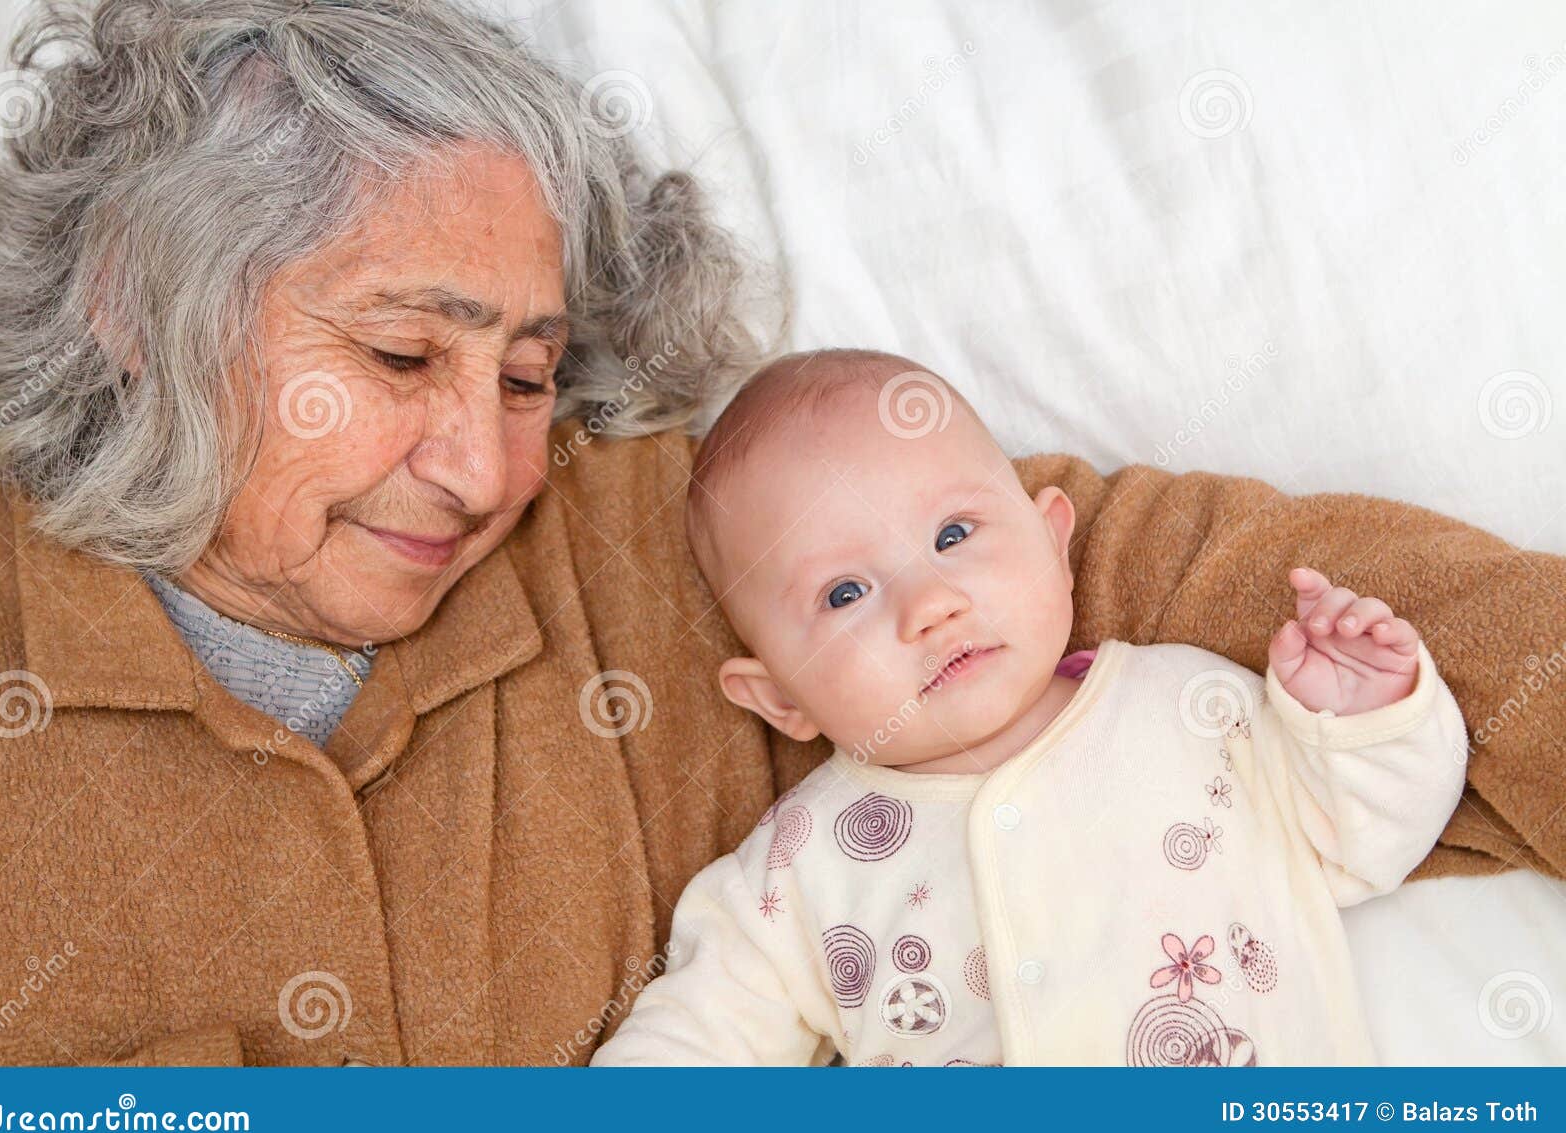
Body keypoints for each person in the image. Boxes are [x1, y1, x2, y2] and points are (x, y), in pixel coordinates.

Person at [0, 1, 1557, 1067]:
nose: (475, 464)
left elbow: (1144, 572)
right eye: (397, 357)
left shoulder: (695, 536)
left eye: (526, 374)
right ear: (136, 302)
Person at [593, 349, 1467, 1065]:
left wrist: (1366, 717)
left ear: (1055, 541)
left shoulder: (1191, 707)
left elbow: (1373, 833)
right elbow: (695, 1041)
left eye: (952, 536)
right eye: (846, 592)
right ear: (779, 695)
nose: (928, 604)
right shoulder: (797, 865)